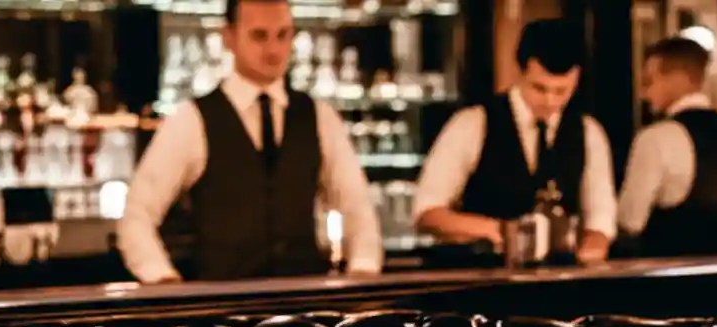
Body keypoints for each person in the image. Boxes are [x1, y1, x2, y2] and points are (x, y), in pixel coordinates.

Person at [118, 0, 382, 282]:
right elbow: (137, 217)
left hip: (307, 310)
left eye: (283, 35)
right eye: (259, 36)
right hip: (223, 312)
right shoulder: (192, 119)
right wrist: (164, 281)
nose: (273, 49)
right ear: (228, 37)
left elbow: (358, 208)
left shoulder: (319, 116)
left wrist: (362, 275)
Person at [412, 19, 617, 264]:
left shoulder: (588, 132)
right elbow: (427, 213)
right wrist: (500, 231)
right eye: (539, 88)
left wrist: (592, 248)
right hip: (482, 282)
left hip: (558, 287)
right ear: (519, 72)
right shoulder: (473, 124)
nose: (550, 102)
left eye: (562, 91)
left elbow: (601, 219)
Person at [616, 36, 717, 257]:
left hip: (668, 280)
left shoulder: (656, 138)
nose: (644, 94)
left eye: (649, 81)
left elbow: (629, 222)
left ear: (677, 79)